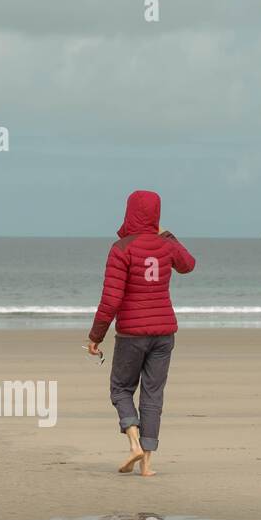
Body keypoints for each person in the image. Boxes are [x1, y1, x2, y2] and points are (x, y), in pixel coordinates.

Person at [87, 190, 196, 476]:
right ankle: (147, 464)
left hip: (132, 333)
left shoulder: (121, 248)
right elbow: (188, 264)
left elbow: (111, 300)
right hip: (163, 333)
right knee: (153, 394)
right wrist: (167, 234)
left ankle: (133, 443)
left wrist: (95, 336)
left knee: (121, 388)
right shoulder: (166, 246)